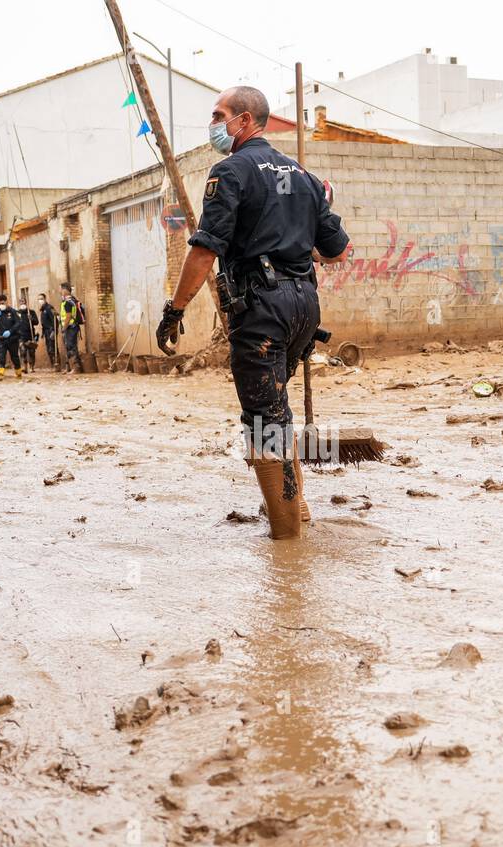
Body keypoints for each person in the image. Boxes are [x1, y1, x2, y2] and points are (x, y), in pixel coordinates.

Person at [157, 86, 349, 540]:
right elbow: (338, 252)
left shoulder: (230, 171)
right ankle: (296, 508)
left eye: (219, 115)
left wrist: (175, 309)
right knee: (277, 413)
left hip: (261, 311)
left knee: (264, 424)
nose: (214, 124)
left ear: (244, 120)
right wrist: (294, 250)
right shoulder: (303, 176)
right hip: (304, 307)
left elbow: (205, 251)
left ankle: (288, 547)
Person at [0, 293, 24, 380]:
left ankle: (18, 374)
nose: (1, 305)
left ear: (6, 302)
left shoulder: (12, 312)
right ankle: (0, 375)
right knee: (1, 357)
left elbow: (18, 323)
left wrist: (10, 331)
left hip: (12, 338)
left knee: (14, 357)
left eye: (3, 303)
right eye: (0, 304)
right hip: (2, 339)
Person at [59, 285, 85, 374]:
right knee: (70, 346)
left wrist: (64, 328)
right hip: (73, 327)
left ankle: (76, 368)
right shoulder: (73, 301)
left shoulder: (68, 302)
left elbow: (68, 316)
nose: (60, 291)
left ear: (65, 290)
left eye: (61, 289)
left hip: (70, 328)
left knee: (71, 347)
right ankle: (70, 368)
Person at [37, 292, 58, 372]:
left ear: (45, 299)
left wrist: (53, 331)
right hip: (46, 331)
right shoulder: (42, 309)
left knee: (52, 348)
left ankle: (56, 365)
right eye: (39, 299)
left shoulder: (49, 308)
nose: (40, 300)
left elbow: (54, 320)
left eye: (41, 299)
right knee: (49, 349)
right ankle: (53, 366)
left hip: (51, 330)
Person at [17, 298, 38, 371]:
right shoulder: (17, 313)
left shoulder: (31, 312)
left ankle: (32, 367)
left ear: (26, 302)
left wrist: (31, 319)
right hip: (21, 335)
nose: (22, 303)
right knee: (22, 351)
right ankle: (24, 367)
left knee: (31, 351)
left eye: (23, 301)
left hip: (30, 334)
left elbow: (36, 322)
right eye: (20, 302)